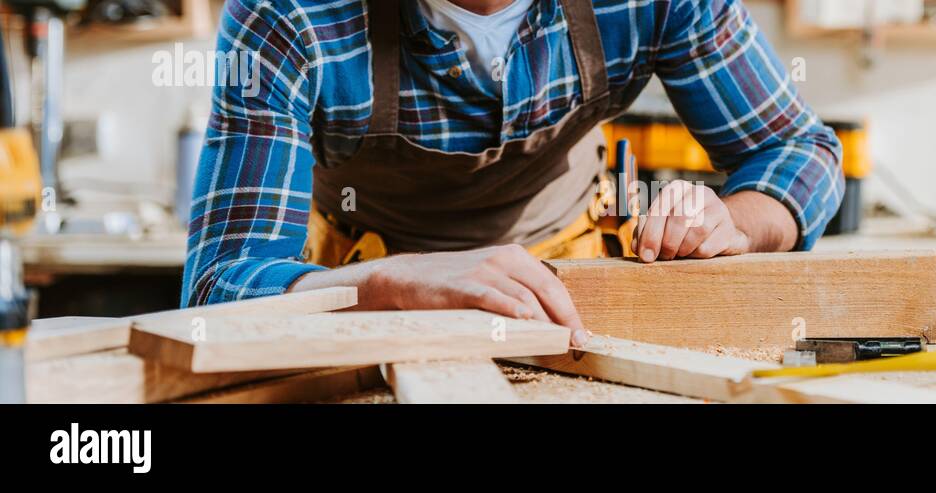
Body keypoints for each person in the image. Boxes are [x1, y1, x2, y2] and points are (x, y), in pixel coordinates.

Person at [182, 0, 844, 346]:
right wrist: (388, 285)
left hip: (568, 287)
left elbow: (799, 150)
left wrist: (738, 219)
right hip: (359, 285)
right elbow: (219, 288)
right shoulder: (289, 12)